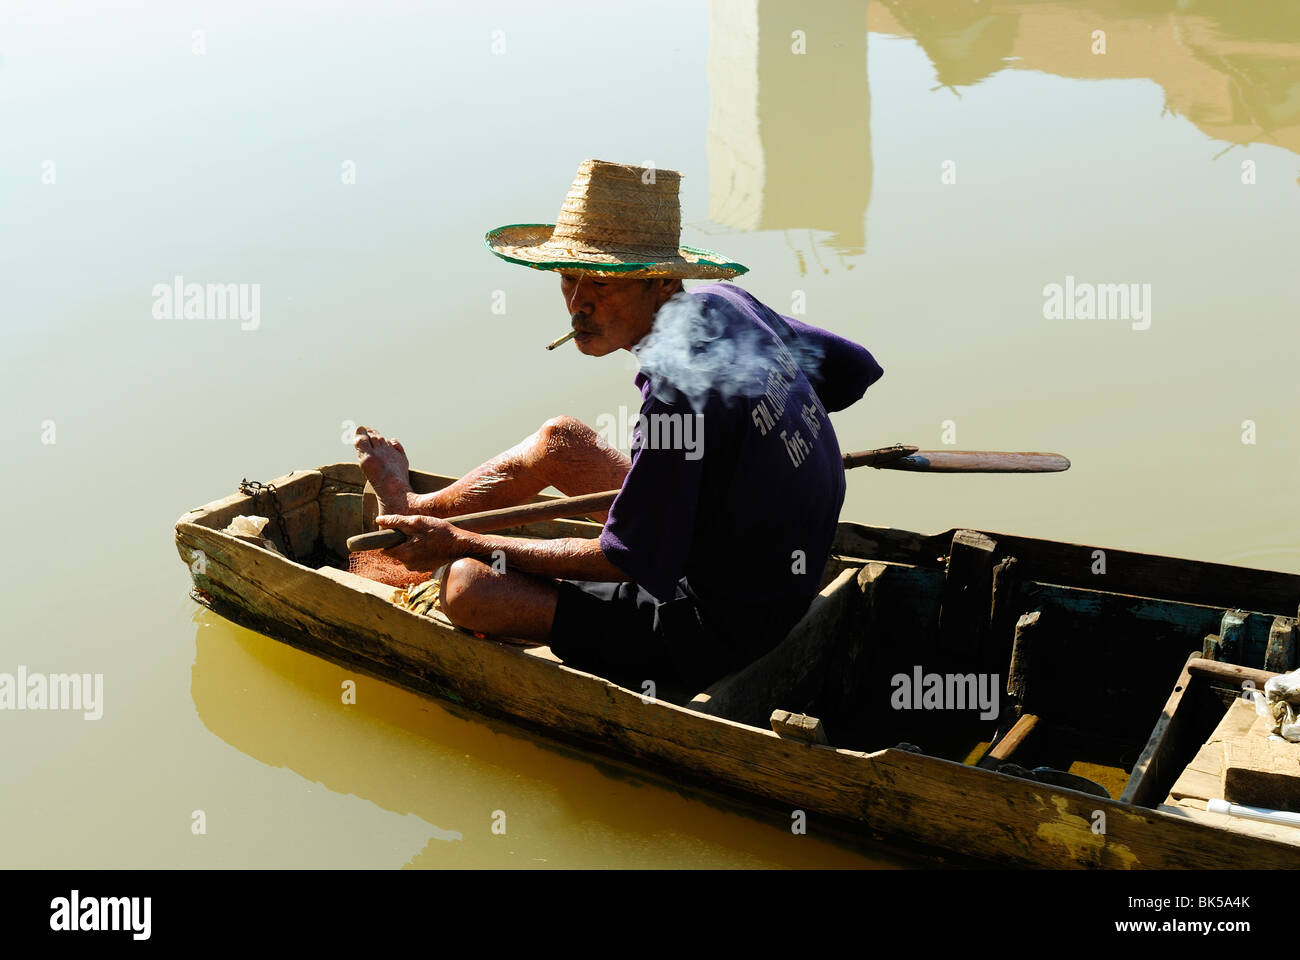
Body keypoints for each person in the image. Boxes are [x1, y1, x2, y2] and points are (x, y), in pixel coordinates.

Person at [354, 159, 882, 689]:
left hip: (722, 623)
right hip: (773, 558)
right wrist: (765, 448)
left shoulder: (677, 391)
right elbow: (852, 370)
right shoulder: (724, 303)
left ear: (660, 283)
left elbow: (626, 559)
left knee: (469, 585)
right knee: (561, 441)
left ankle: (439, 538)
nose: (578, 304)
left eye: (603, 283)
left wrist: (461, 544)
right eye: (567, 280)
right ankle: (414, 509)